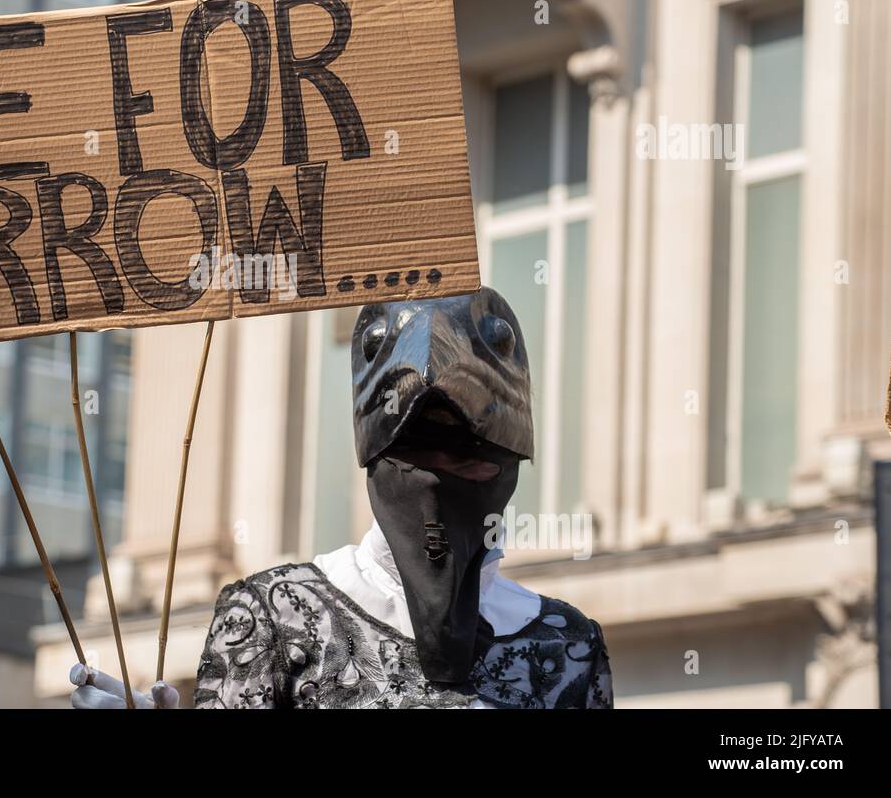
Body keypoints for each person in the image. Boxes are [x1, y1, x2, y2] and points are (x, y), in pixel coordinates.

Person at [70, 288, 612, 709]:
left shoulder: (566, 648)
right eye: (418, 458)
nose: (438, 480)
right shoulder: (277, 619)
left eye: (467, 460)